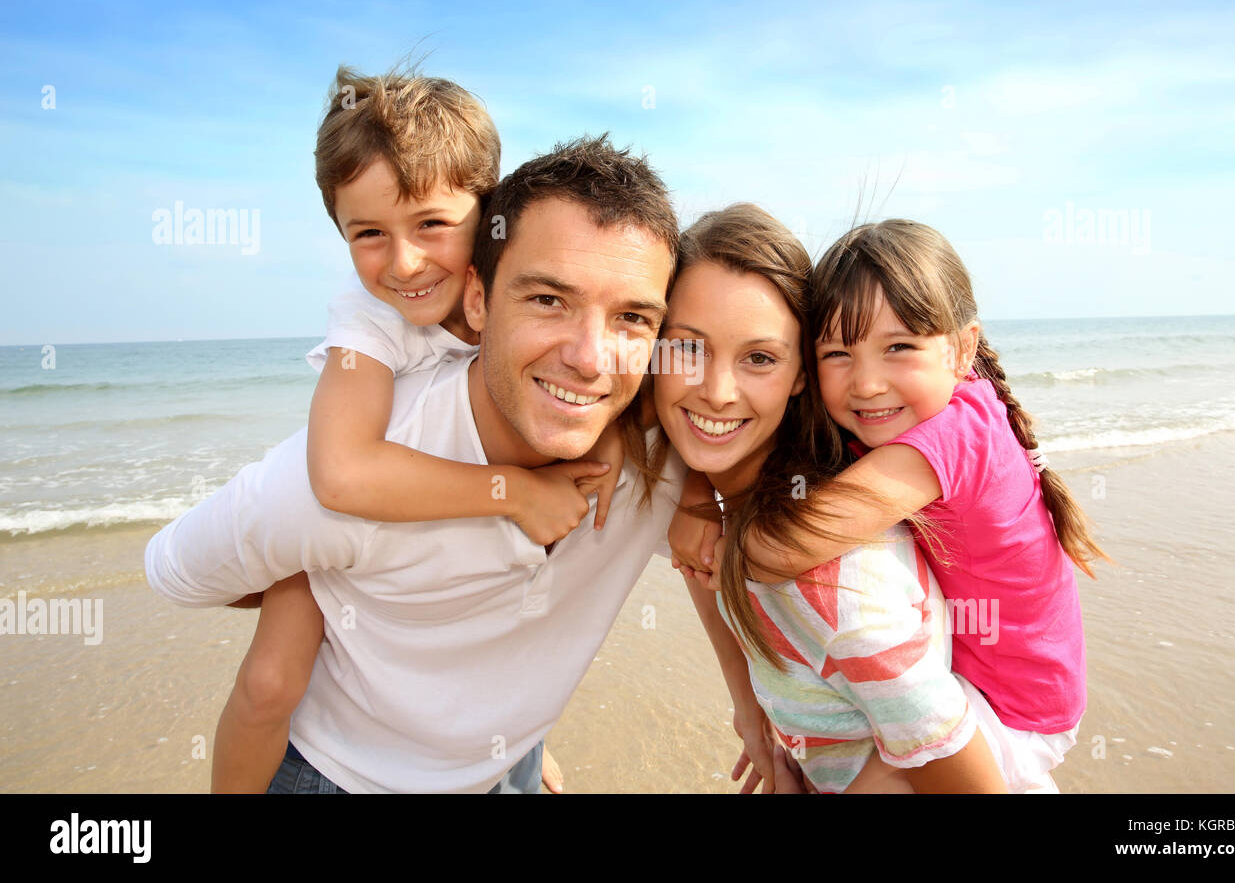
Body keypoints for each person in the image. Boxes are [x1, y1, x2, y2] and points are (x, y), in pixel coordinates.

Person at [146, 135, 685, 793]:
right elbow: (178, 573)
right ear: (478, 300)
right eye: (548, 300)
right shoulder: (340, 481)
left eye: (631, 317)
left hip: (504, 766)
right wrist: (311, 576)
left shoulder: (659, 449)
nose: (590, 357)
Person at [677, 218, 1105, 792]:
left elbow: (785, 548)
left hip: (1013, 708)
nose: (868, 384)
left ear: (963, 349)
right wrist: (692, 491)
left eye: (898, 347)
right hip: (982, 680)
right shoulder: (914, 415)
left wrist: (719, 528)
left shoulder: (952, 434)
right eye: (838, 354)